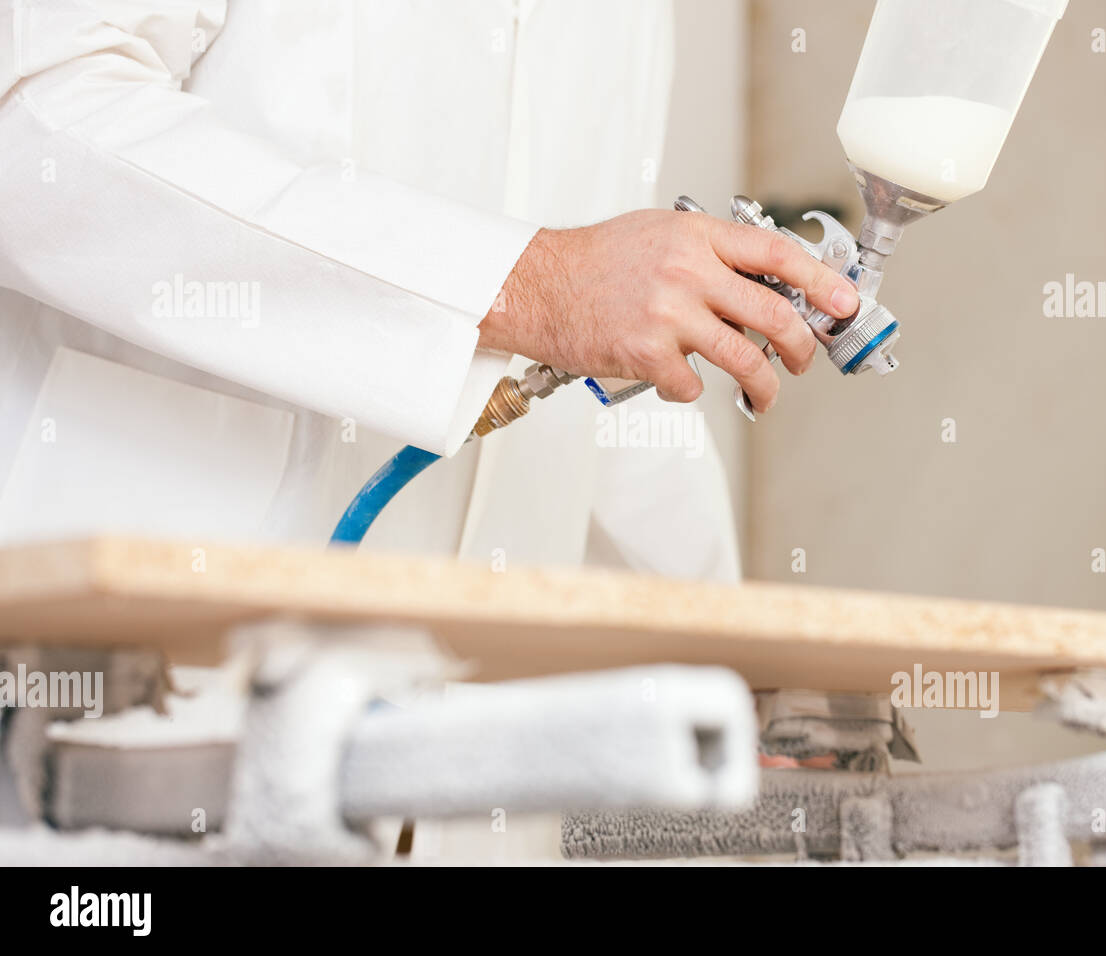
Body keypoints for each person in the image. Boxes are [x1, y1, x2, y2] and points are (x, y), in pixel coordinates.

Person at [0, 0, 858, 580]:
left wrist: (723, 655)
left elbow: (605, 331)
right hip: (162, 658)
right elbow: (33, 123)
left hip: (470, 732)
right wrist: (530, 283)